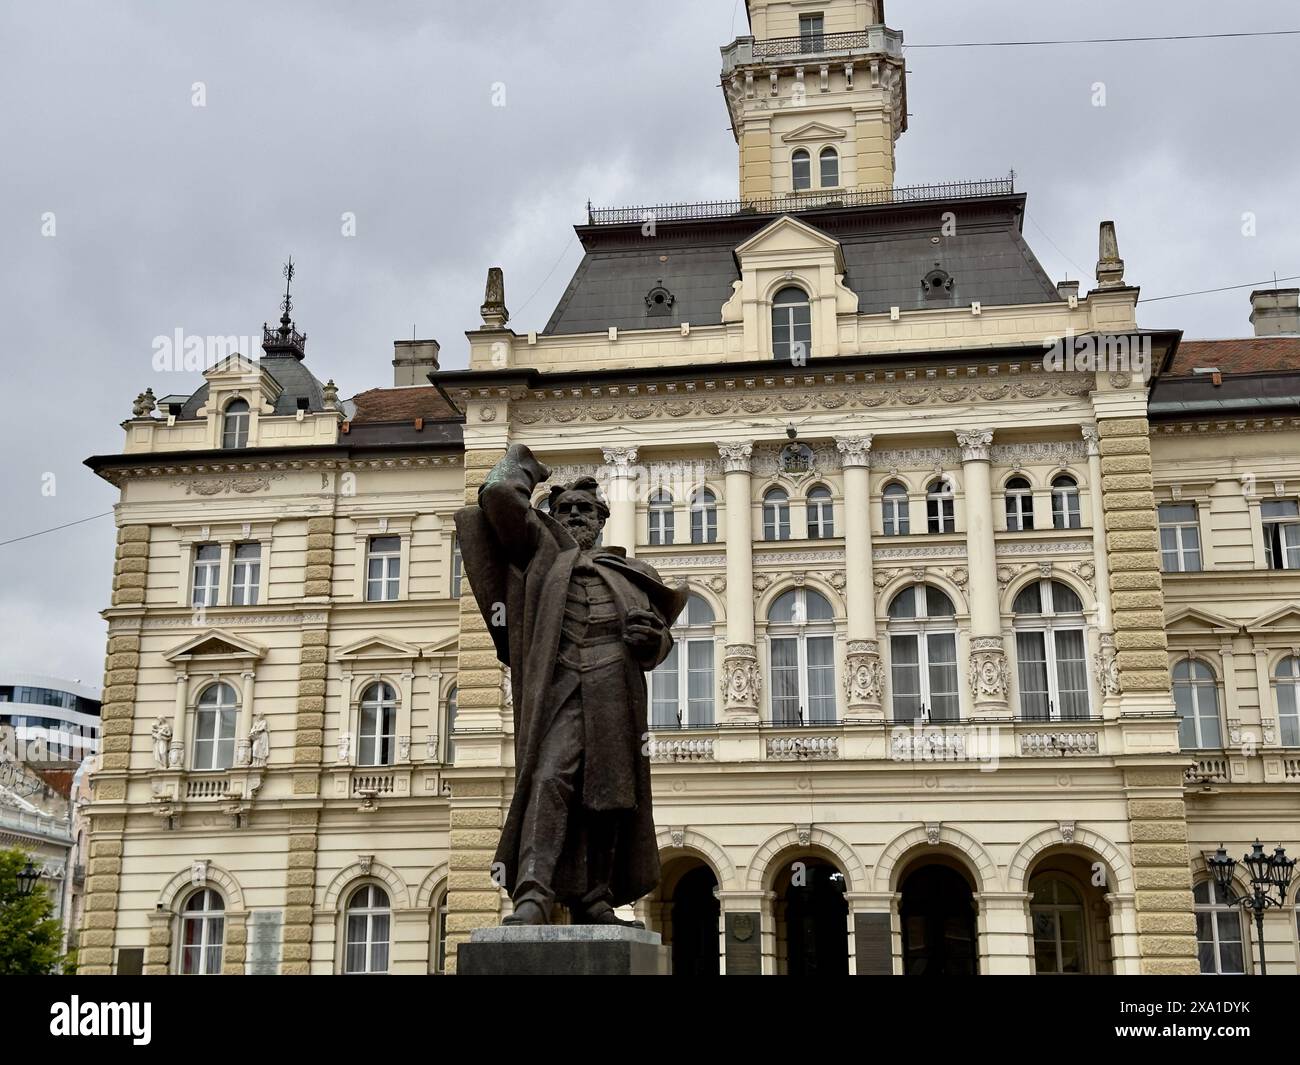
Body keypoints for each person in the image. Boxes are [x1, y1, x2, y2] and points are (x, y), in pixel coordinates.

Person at [455, 444, 685, 926]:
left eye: (585, 509)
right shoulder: (538, 553)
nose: (576, 515)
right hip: (559, 679)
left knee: (608, 793)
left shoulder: (633, 574)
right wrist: (525, 465)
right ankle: (534, 892)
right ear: (550, 516)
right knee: (550, 778)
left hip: (613, 685)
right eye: (566, 509)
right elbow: (497, 493)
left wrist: (651, 639)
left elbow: (658, 640)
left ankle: (593, 897)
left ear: (602, 519)